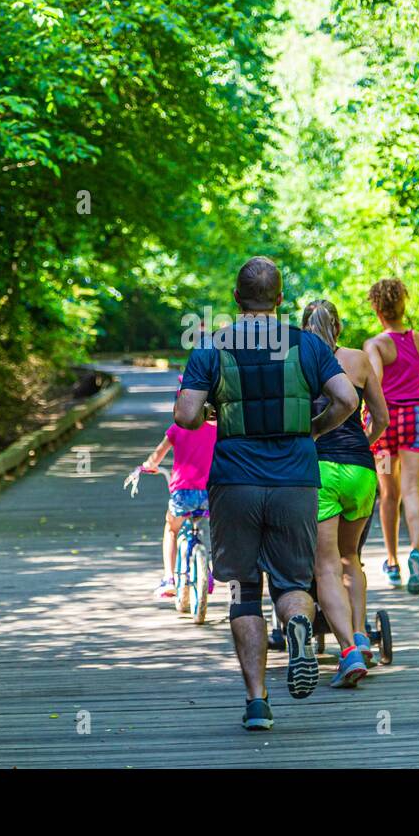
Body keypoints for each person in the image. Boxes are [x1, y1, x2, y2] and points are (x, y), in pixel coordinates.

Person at [174, 256, 358, 731]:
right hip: (296, 479)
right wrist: (313, 430)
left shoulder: (210, 347)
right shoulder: (310, 347)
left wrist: (211, 411)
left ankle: (257, 702)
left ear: (236, 299)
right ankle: (297, 624)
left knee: (243, 590)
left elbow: (186, 416)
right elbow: (348, 400)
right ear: (280, 299)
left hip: (234, 480)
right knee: (294, 583)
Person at [302, 299, 388, 686]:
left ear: (305, 329)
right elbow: (382, 418)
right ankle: (362, 636)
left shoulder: (296, 362)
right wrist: (362, 446)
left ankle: (348, 654)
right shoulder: (358, 359)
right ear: (337, 328)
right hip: (361, 470)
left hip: (319, 469)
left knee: (326, 565)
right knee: (352, 557)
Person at [363, 278, 419, 595]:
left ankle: (392, 563)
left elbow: (374, 381)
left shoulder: (375, 345)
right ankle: (415, 553)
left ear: (377, 309)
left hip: (385, 426)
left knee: (389, 493)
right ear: (403, 305)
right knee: (413, 489)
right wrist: (417, 371)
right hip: (416, 419)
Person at [137, 377, 217, 600]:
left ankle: (169, 578)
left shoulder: (176, 430)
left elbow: (157, 456)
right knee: (212, 528)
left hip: (183, 493)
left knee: (171, 529)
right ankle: (209, 568)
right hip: (210, 493)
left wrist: (148, 466)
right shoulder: (216, 429)